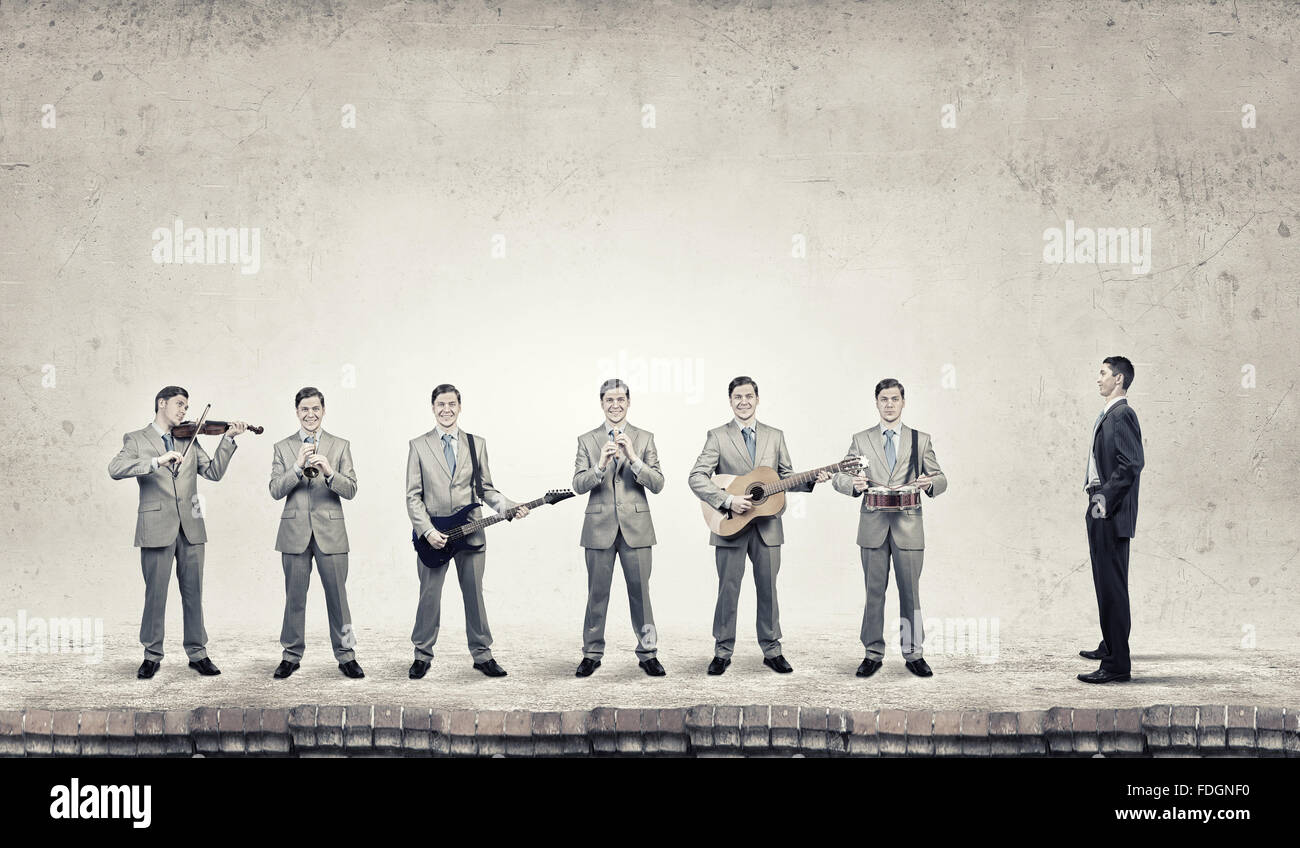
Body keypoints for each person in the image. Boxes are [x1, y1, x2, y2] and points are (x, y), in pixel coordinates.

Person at [688, 376, 826, 675]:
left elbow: (786, 477)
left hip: (768, 527)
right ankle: (722, 651)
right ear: (730, 401)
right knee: (728, 589)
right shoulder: (717, 436)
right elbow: (696, 478)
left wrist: (813, 478)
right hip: (730, 525)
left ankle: (772, 650)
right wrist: (727, 501)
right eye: (737, 397)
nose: (744, 401)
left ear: (757, 398)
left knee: (768, 589)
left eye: (749, 396)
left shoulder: (775, 436)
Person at [108, 386, 246, 678]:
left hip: (192, 527)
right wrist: (156, 461)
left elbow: (214, 473)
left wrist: (228, 439)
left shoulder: (189, 438)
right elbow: (115, 468)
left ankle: (198, 654)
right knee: (155, 594)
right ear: (162, 403)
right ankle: (152, 655)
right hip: (156, 526)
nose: (184, 411)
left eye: (186, 406)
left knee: (193, 593)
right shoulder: (136, 438)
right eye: (179, 404)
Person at [406, 384, 529, 679]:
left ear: (460, 407)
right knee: (429, 597)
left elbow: (485, 489)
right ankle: (422, 655)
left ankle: (482, 655)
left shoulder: (477, 444)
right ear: (432, 408)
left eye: (452, 404)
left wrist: (508, 506)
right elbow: (413, 496)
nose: (446, 409)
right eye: (440, 404)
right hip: (434, 536)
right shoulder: (418, 445)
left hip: (471, 531)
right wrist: (426, 531)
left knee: (474, 594)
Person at [832, 378, 947, 678]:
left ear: (903, 402)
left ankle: (914, 653)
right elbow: (838, 477)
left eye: (895, 399)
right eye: (884, 399)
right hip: (873, 525)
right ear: (877, 403)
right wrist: (853, 485)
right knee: (874, 592)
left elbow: (941, 478)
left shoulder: (920, 439)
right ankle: (872, 652)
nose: (889, 404)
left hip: (908, 526)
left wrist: (930, 482)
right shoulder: (861, 439)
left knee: (910, 593)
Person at [572, 379, 666, 678]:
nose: (615, 405)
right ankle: (591, 653)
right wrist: (599, 465)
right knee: (596, 595)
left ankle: (648, 652)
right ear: (601, 403)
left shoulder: (645, 437)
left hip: (636, 528)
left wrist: (634, 459)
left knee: (642, 594)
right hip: (598, 528)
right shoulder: (587, 440)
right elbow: (577, 485)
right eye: (609, 400)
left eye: (621, 399)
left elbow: (658, 484)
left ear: (628, 402)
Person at [269, 387, 363, 680]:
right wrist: (297, 467)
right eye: (304, 410)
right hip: (294, 533)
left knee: (338, 598)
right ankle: (291, 655)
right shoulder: (282, 447)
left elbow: (351, 490)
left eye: (315, 409)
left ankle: (346, 656)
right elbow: (274, 490)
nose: (310, 415)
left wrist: (331, 473)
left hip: (331, 532)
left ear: (323, 410)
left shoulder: (340, 445)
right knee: (294, 599)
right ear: (297, 412)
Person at [1078, 356, 1144, 684]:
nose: (1098, 378)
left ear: (1118, 379)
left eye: (1102, 372)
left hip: (1109, 510)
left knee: (1113, 586)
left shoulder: (1122, 414)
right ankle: (1111, 645)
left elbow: (1131, 463)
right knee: (1106, 584)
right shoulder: (1110, 414)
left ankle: (1118, 664)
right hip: (1100, 506)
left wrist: (1103, 499)